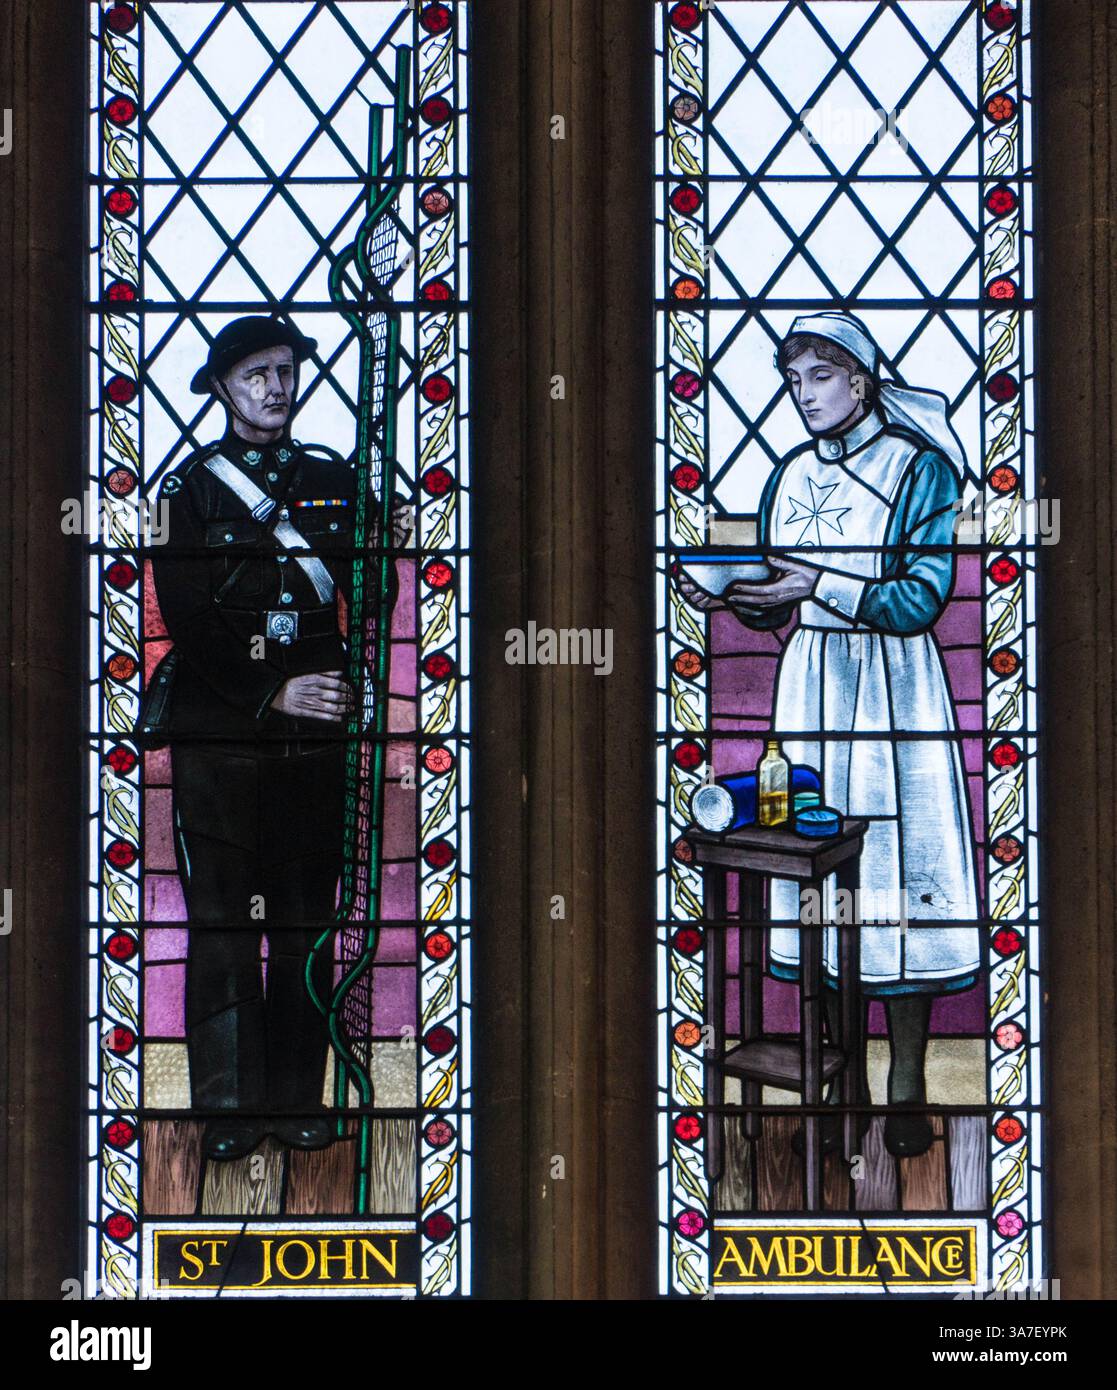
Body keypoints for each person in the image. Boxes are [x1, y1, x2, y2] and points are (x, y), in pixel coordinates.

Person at [678, 311, 980, 1158]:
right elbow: (785, 603)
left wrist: (821, 587)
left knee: (896, 886)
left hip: (891, 699)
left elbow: (918, 599)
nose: (802, 396)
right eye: (792, 381)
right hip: (812, 687)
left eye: (819, 378)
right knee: (814, 887)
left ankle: (907, 1089)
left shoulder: (919, 470)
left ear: (860, 378)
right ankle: (833, 1080)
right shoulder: (786, 474)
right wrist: (740, 598)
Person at [148, 316, 406, 1161]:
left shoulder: (335, 481)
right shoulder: (189, 494)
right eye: (256, 374)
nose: (275, 388)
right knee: (223, 927)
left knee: (304, 925)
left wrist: (381, 547)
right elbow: (187, 622)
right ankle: (226, 1111)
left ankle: (298, 1102)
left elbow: (368, 604)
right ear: (221, 388)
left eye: (286, 371)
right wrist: (272, 687)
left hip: (315, 745)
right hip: (221, 746)